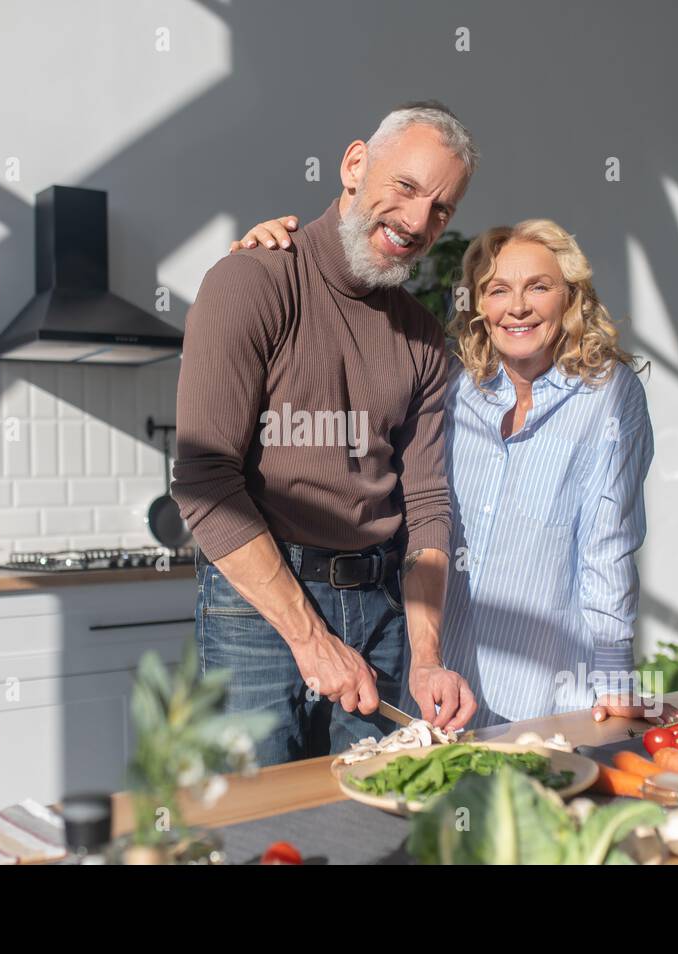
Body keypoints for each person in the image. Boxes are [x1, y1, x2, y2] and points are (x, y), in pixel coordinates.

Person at [232, 216, 678, 727]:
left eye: (539, 287)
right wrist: (266, 264)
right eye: (497, 290)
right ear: (477, 306)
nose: (517, 306)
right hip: (437, 685)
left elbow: (610, 545)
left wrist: (616, 676)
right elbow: (344, 392)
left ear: (571, 297)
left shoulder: (610, 396)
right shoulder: (451, 387)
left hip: (549, 689)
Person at [171, 102, 480, 767]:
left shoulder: (423, 339)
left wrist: (426, 660)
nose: (418, 222)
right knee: (260, 824)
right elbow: (205, 483)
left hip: (382, 611)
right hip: (259, 613)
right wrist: (310, 637)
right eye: (406, 187)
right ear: (354, 165)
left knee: (375, 823)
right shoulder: (251, 282)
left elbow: (427, 508)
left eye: (442, 209)